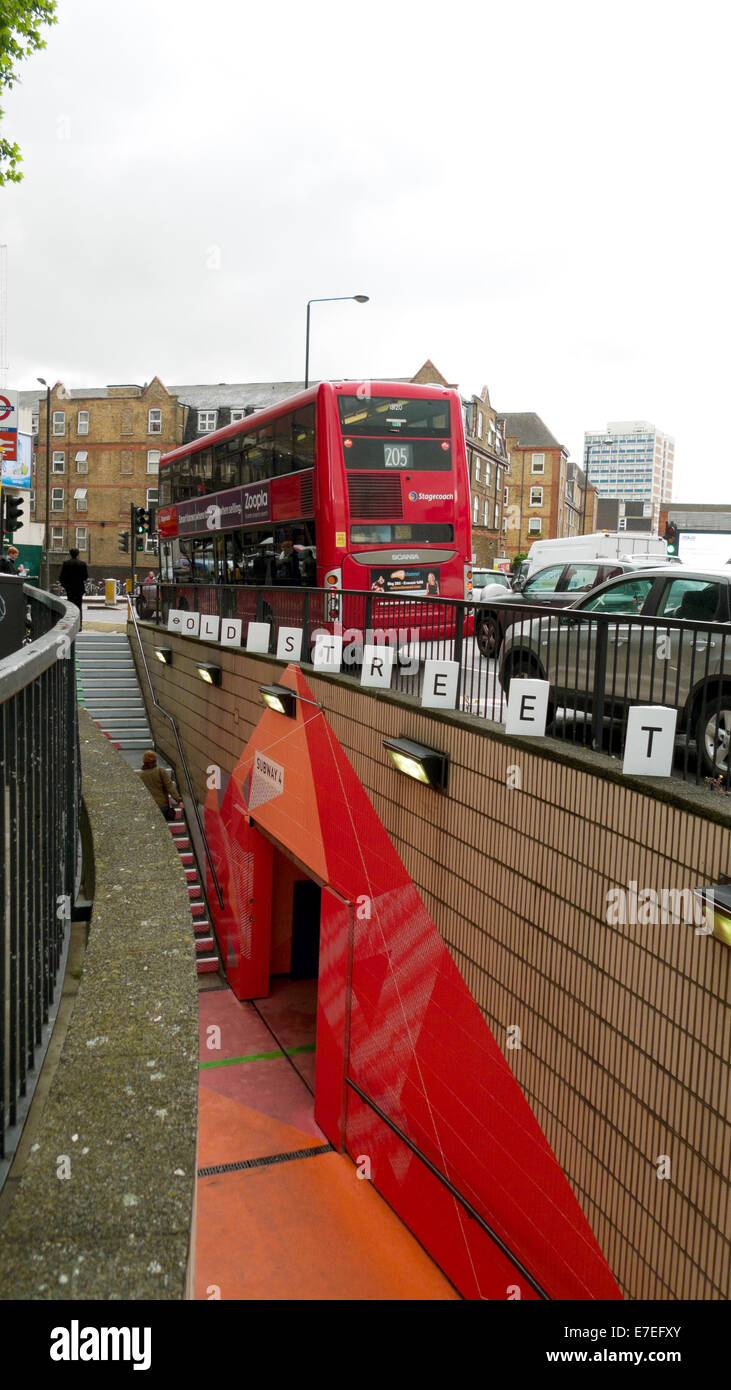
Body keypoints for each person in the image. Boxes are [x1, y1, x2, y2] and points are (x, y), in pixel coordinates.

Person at [137, 751, 180, 821]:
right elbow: (170, 787)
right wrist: (177, 799)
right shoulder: (160, 771)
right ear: (155, 760)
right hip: (162, 805)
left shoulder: (140, 775)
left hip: (148, 806)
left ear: (144, 761)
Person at [58, 547, 89, 630]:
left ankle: (70, 626)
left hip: (70, 589)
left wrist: (65, 586)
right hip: (79, 589)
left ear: (70, 554)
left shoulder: (66, 563)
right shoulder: (82, 564)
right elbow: (85, 577)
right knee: (79, 606)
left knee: (71, 607)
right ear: (78, 554)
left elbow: (61, 577)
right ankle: (79, 626)